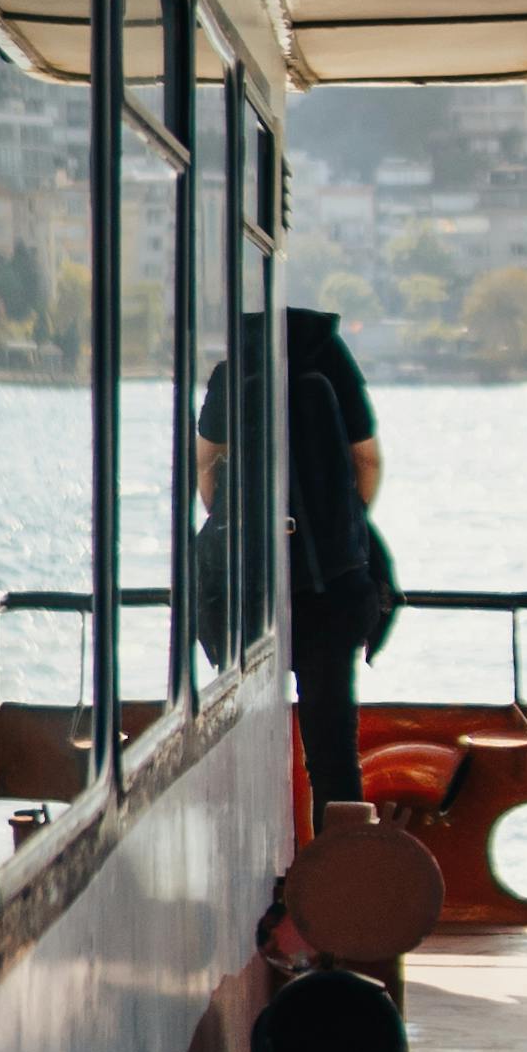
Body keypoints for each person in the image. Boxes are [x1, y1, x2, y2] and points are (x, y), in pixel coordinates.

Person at [197, 292, 389, 810]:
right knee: (331, 751)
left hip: (249, 587)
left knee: (245, 736)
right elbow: (367, 460)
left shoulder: (232, 369)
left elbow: (207, 465)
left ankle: (246, 871)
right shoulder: (336, 365)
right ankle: (339, 877)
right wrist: (342, 523)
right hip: (333, 590)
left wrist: (237, 526)